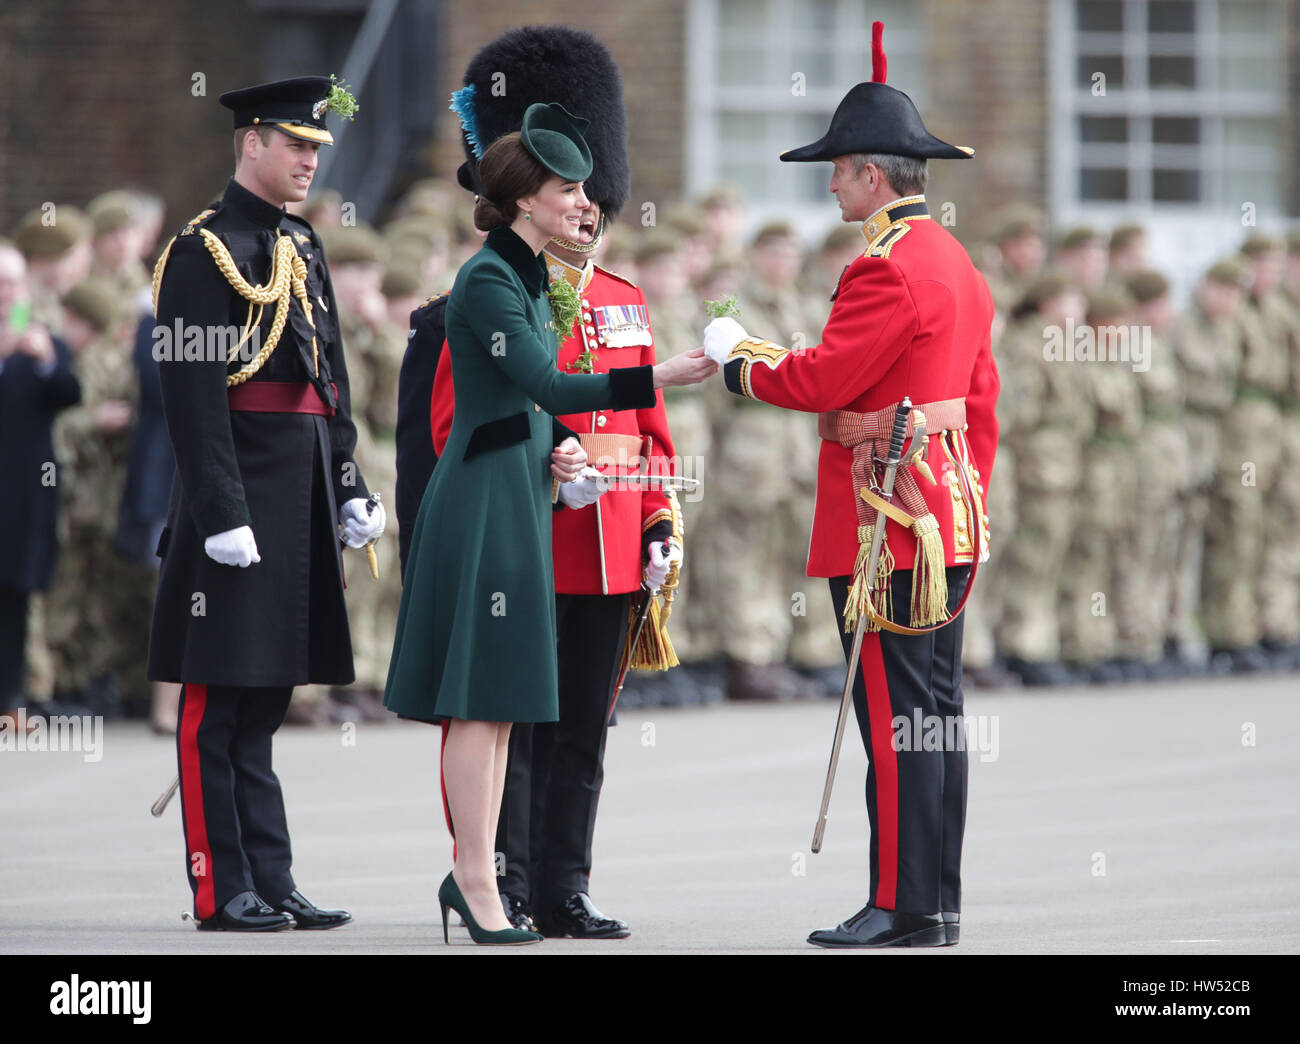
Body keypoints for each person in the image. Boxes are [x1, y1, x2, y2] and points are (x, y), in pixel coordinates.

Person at [382, 103, 715, 945]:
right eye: (567, 187)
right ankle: (491, 881)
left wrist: (643, 515)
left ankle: (548, 886)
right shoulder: (494, 278)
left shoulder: (574, 287)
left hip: (557, 513)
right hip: (502, 506)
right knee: (495, 709)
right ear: (526, 199)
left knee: (552, 722)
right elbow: (539, 390)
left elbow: (627, 438)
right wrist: (658, 375)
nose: (584, 201)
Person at [701, 23, 998, 947]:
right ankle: (936, 899)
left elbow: (823, 380)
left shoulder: (885, 268)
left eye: (838, 169)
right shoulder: (957, 262)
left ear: (873, 177)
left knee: (894, 716)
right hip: (941, 511)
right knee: (935, 717)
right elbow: (979, 404)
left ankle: (901, 906)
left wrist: (736, 357)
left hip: (885, 521)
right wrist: (964, 502)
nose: (829, 181)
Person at [149, 76, 381, 932]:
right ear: (251, 142)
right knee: (217, 701)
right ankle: (222, 885)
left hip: (301, 489)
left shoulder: (303, 243)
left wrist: (349, 478)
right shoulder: (200, 251)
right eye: (296, 146)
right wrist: (219, 510)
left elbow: (330, 377)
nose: (310, 162)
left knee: (267, 699)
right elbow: (192, 395)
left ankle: (272, 876)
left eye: (317, 149)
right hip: (241, 497)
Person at [0, 241, 81, 719]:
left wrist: (48, 360)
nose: (8, 294)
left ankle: (11, 702)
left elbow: (70, 393)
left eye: (12, 283)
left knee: (16, 596)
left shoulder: (42, 337)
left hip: (25, 490)